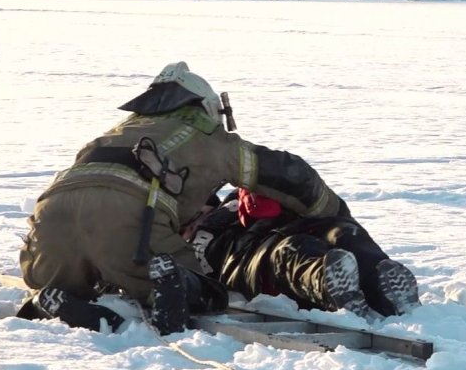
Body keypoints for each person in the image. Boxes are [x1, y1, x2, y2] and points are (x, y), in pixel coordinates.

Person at [18, 61, 346, 335]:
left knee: (66, 279)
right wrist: (331, 210)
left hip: (50, 217)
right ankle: (174, 283)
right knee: (205, 292)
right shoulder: (208, 138)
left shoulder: (114, 133)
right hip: (131, 219)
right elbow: (287, 173)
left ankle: (57, 298)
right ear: (205, 107)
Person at [186, 188, 420, 320]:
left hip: (295, 226)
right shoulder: (187, 247)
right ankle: (334, 289)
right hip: (255, 261)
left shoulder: (233, 202)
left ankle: (385, 288)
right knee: (294, 251)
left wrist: (256, 193)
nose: (191, 221)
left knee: (344, 234)